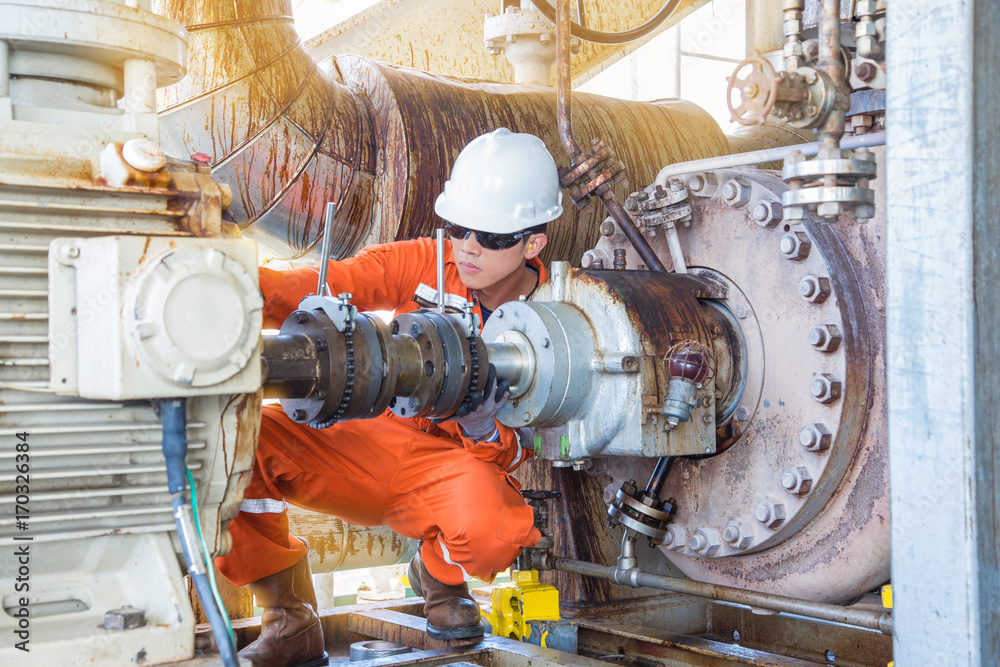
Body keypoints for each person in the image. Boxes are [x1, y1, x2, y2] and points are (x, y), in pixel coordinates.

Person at [216, 128, 564, 667]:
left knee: (496, 532)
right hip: (363, 438)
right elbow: (315, 287)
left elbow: (524, 454)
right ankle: (290, 618)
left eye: (492, 238)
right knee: (225, 445)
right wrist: (213, 284)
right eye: (459, 228)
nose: (468, 247)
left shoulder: (558, 326)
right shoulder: (426, 261)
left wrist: (480, 428)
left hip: (448, 466)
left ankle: (440, 576)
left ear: (532, 244)